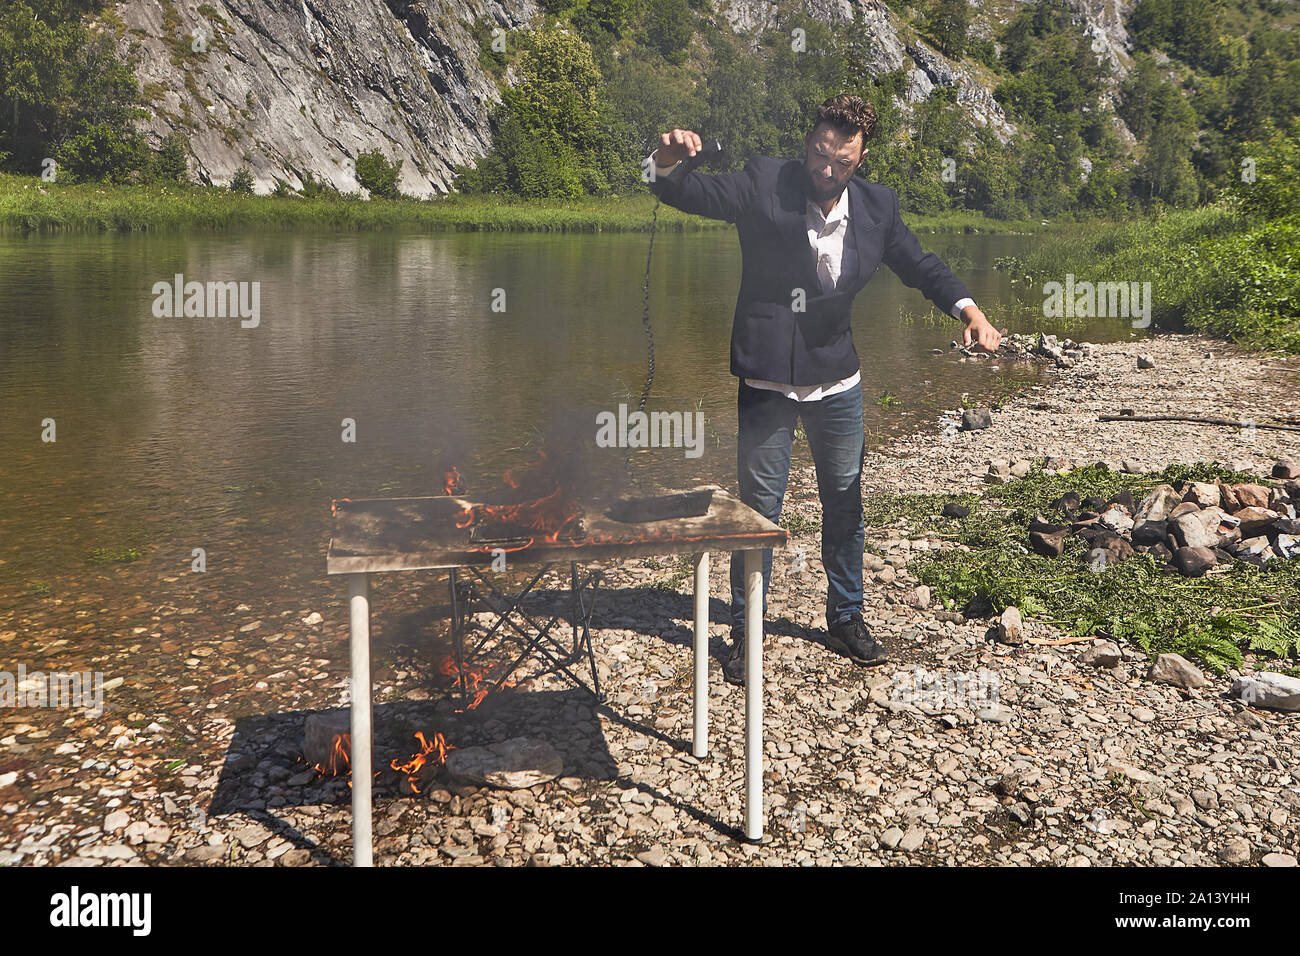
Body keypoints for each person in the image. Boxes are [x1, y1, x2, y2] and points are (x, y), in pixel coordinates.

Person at [647, 93, 1002, 685]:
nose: (826, 168)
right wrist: (665, 163)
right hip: (766, 378)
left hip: (838, 381)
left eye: (840, 160)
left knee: (845, 501)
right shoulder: (764, 182)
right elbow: (688, 193)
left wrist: (967, 309)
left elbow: (921, 265)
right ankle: (746, 632)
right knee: (756, 513)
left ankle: (845, 617)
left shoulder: (878, 208)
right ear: (808, 142)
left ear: (859, 158)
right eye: (818, 154)